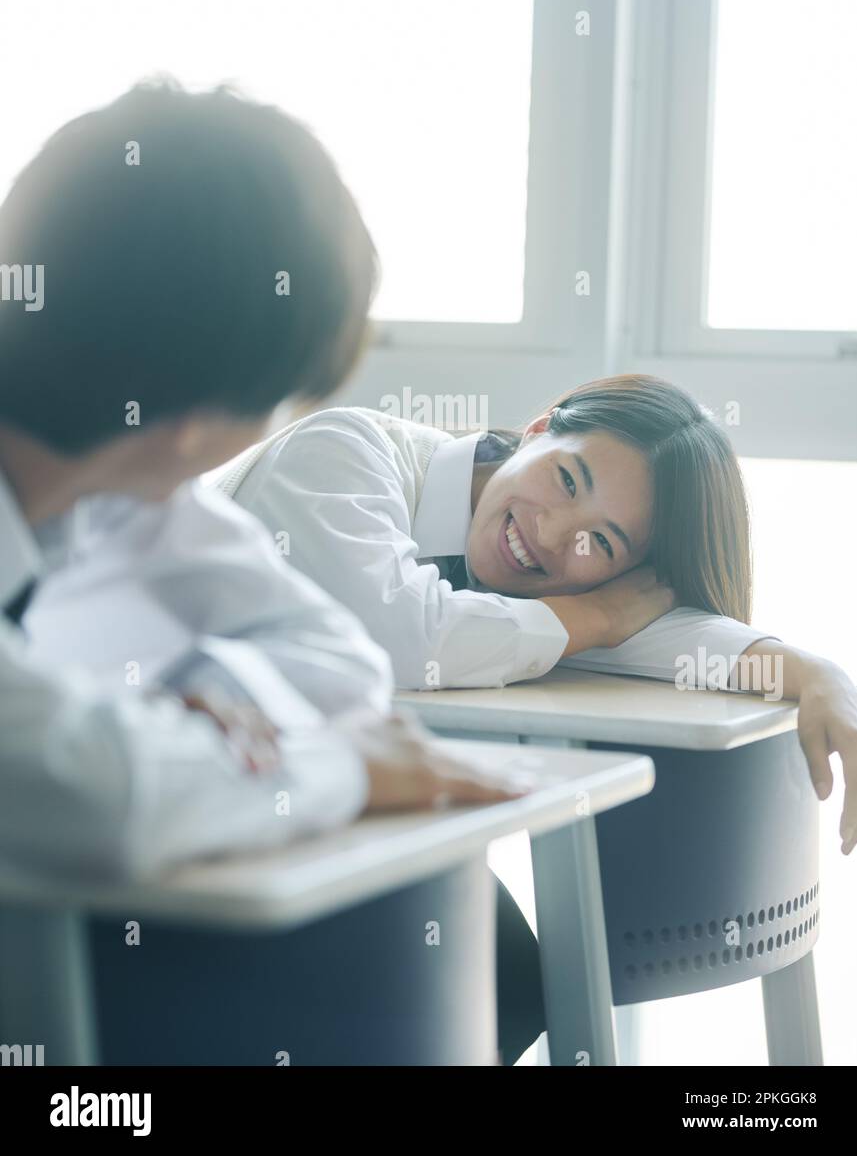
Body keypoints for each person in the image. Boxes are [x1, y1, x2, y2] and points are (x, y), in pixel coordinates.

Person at [0, 79, 528, 887]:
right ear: (200, 425)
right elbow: (103, 798)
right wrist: (337, 767)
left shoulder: (119, 490)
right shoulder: (127, 475)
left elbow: (340, 666)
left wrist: (186, 719)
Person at [212, 378, 857, 856]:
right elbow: (400, 637)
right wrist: (596, 613)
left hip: (307, 816)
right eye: (567, 480)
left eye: (601, 543)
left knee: (519, 977)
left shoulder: (565, 594)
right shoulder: (344, 450)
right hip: (170, 822)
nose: (552, 535)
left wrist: (818, 674)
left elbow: (658, 628)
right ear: (537, 429)